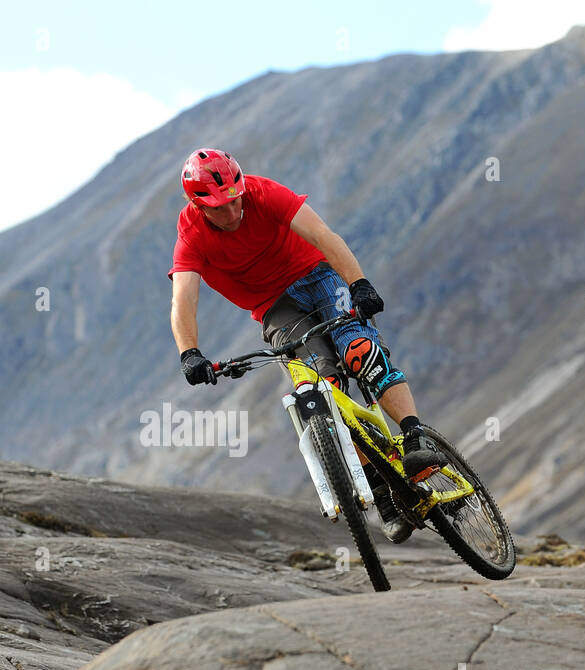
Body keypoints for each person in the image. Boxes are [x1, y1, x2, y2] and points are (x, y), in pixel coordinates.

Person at [167, 147, 446, 543]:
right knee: (322, 394)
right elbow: (183, 300)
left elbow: (322, 235)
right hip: (276, 309)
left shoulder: (263, 193)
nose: (231, 213)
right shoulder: (191, 235)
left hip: (319, 276)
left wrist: (358, 282)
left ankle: (416, 437)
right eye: (218, 208)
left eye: (234, 201)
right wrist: (189, 352)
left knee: (360, 353)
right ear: (195, 204)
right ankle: (382, 492)